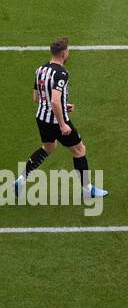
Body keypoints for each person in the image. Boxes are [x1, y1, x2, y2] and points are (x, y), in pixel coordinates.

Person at [17, 38, 108, 200]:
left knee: (48, 148)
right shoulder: (61, 74)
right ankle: (88, 190)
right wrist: (62, 124)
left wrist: (64, 105)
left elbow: (37, 98)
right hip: (56, 121)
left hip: (41, 118)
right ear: (64, 54)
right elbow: (53, 100)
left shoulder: (40, 70)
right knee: (80, 150)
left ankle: (22, 179)